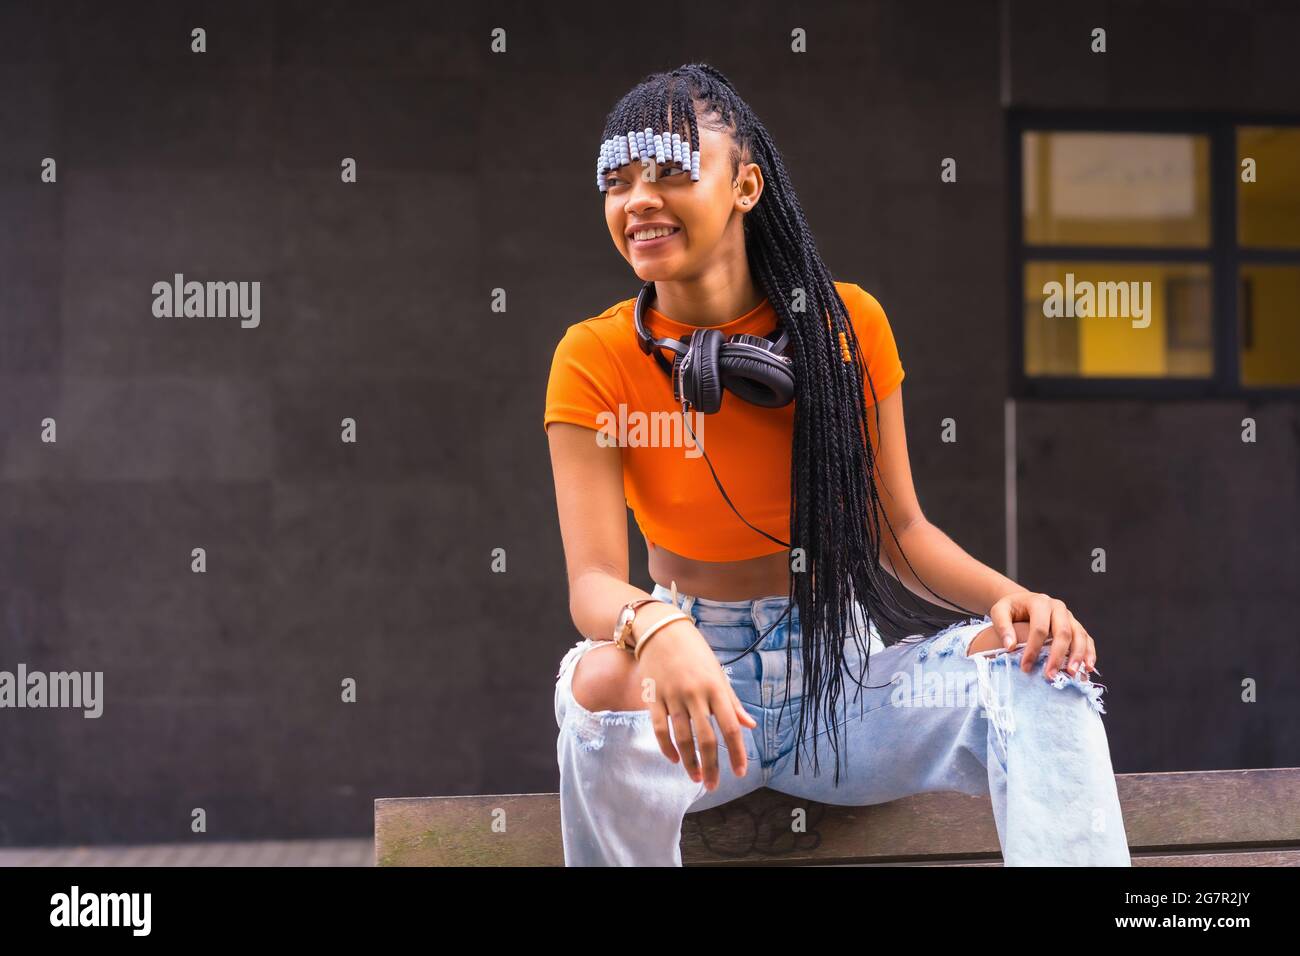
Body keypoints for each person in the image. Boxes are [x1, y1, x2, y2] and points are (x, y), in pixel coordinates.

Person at [543, 63, 1131, 866]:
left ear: (746, 186)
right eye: (617, 180)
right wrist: (658, 628)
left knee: (1041, 670)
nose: (636, 199)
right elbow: (591, 584)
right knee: (596, 687)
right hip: (693, 697)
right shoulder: (592, 356)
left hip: (847, 687)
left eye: (672, 171)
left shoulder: (850, 326)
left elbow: (901, 533)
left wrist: (1019, 604)